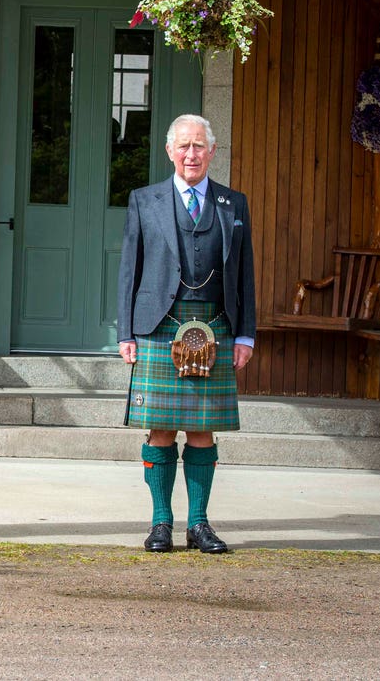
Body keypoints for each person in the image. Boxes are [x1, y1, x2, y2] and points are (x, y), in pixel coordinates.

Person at [117, 114, 256, 554]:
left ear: (212, 151)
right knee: (160, 429)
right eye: (183, 146)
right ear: (169, 151)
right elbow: (129, 270)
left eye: (199, 146)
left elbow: (246, 274)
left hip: (215, 324)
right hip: (160, 325)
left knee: (202, 429)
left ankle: (199, 524)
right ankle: (161, 523)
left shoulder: (234, 204)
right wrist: (127, 331)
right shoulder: (145, 200)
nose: (191, 154)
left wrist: (246, 335)